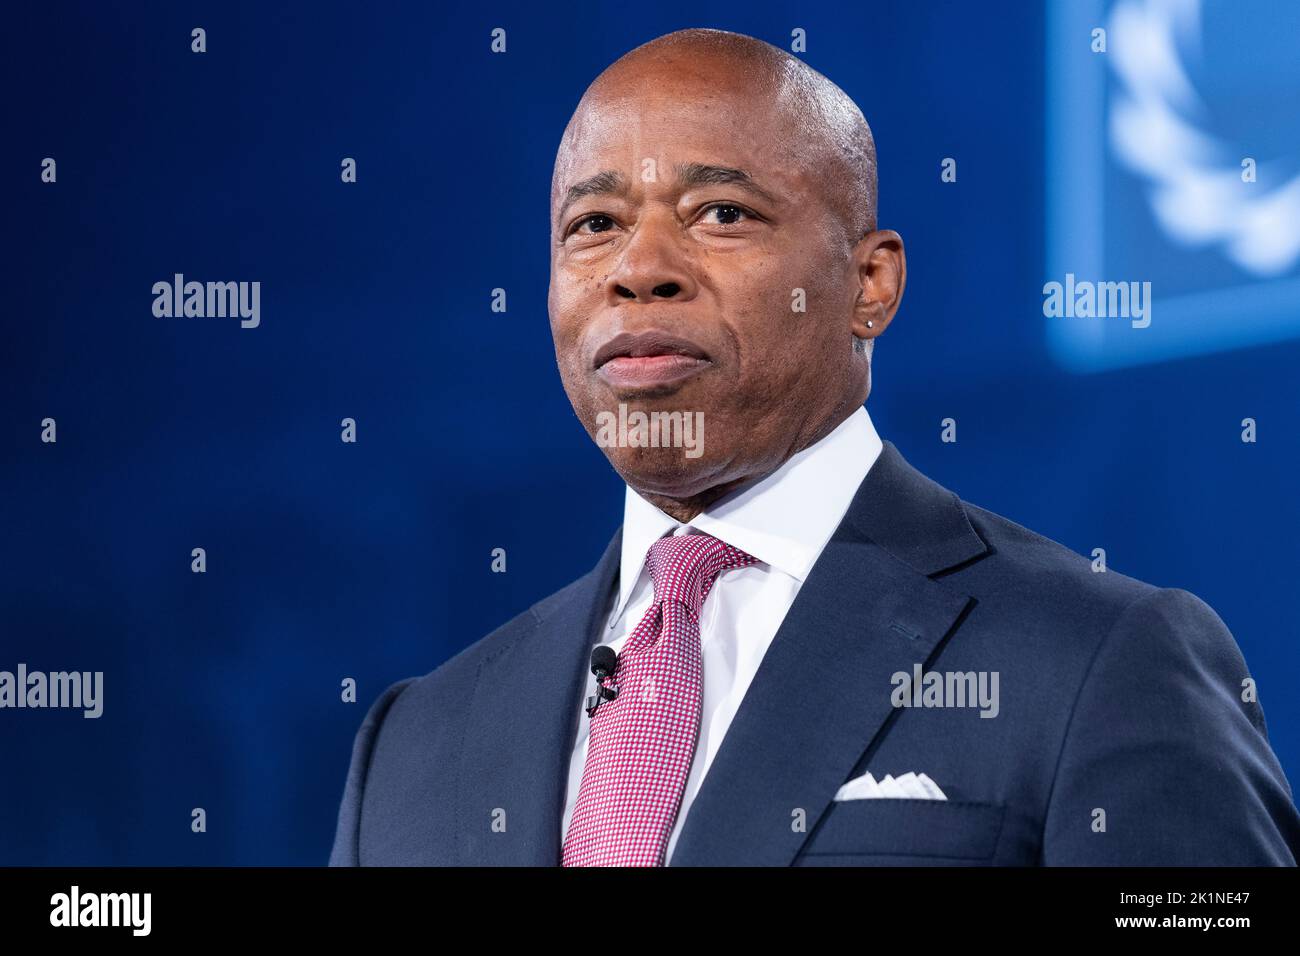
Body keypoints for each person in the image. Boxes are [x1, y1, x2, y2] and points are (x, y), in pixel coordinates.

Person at [328, 28, 1300, 866]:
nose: (639, 270)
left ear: (868, 283)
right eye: (594, 224)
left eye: (720, 214)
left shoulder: (1102, 661)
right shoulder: (417, 741)